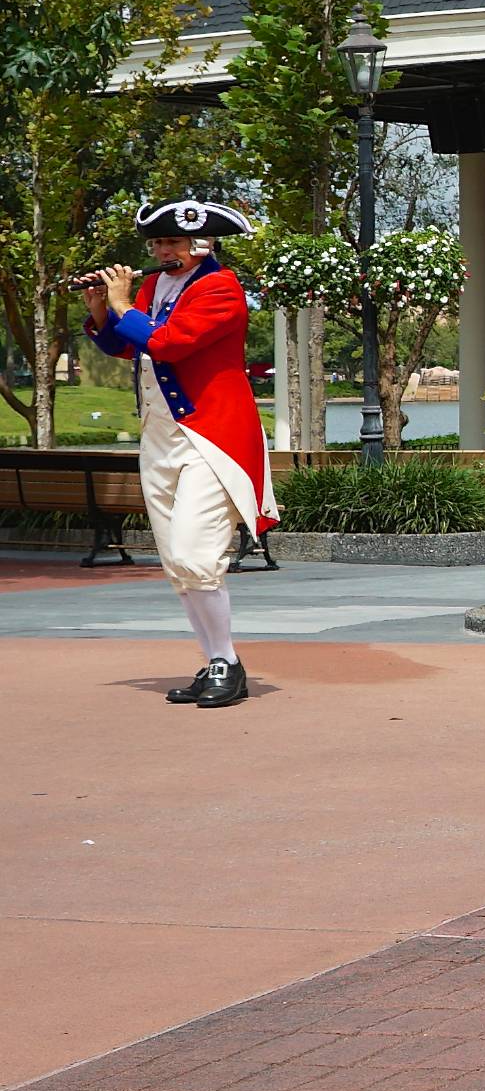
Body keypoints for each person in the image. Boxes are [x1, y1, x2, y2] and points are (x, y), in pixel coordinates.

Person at [80, 200, 277, 709]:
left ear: (202, 245)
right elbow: (127, 346)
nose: (163, 251)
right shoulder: (153, 286)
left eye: (172, 243)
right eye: (157, 244)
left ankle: (226, 662)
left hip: (211, 436)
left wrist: (123, 306)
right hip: (161, 436)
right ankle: (216, 661)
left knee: (195, 552)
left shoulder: (221, 288)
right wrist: (102, 308)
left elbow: (168, 344)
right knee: (177, 562)